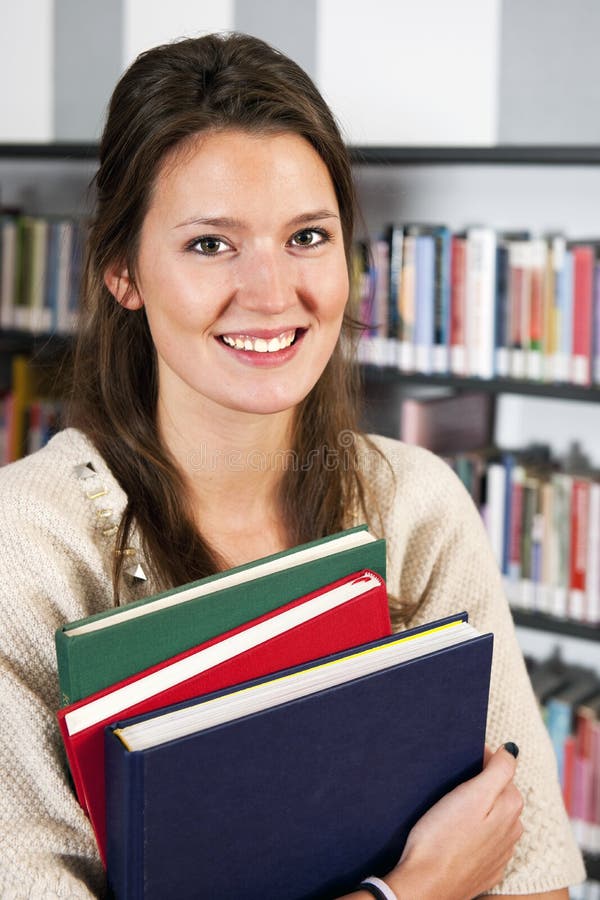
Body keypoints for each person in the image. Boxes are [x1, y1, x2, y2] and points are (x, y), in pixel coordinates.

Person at [0, 31, 585, 899]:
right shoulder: (27, 545)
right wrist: (412, 891)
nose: (275, 295)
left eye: (307, 236)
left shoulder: (416, 505)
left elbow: (532, 878)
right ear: (121, 269)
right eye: (211, 245)